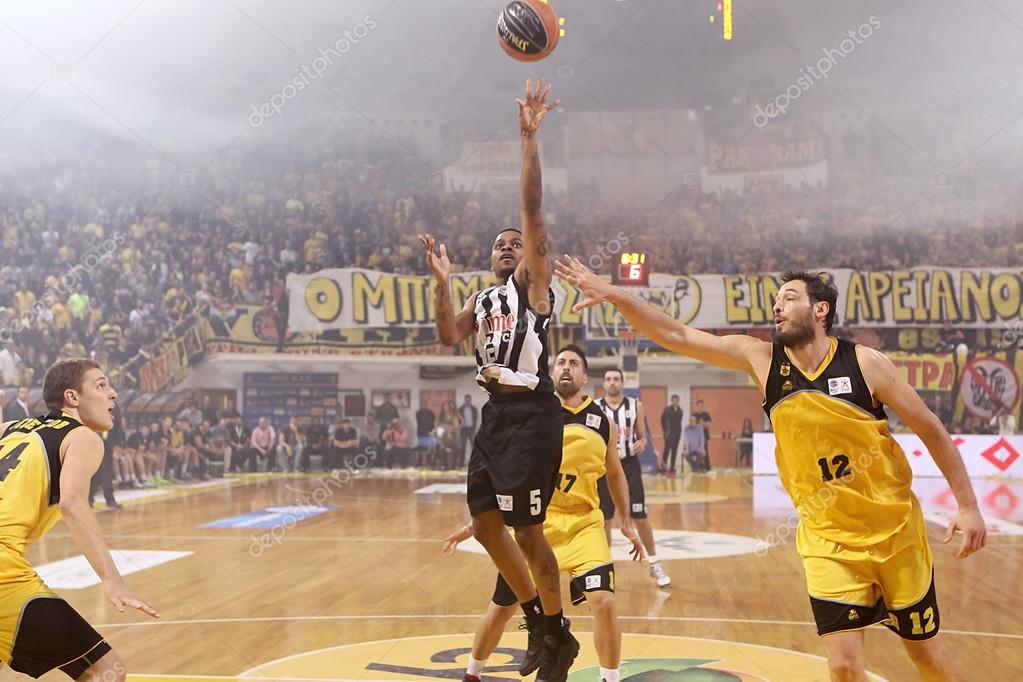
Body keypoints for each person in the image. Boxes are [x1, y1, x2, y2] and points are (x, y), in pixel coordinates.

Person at [556, 262, 987, 680]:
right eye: (776, 299)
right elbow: (677, 333)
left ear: (820, 310)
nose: (777, 306)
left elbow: (930, 427)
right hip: (827, 540)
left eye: (790, 298)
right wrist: (616, 295)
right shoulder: (761, 359)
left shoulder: (865, 364)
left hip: (895, 533)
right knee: (843, 666)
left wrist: (967, 505)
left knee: (926, 656)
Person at [420, 79, 578, 682]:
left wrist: (529, 139)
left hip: (533, 415)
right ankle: (541, 622)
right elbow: (445, 336)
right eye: (500, 244)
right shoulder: (485, 299)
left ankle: (555, 632)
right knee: (487, 523)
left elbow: (532, 210)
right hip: (495, 418)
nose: (510, 245)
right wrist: (441, 281)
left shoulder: (532, 288)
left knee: (528, 531)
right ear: (489, 260)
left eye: (517, 243)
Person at [442, 346, 642, 682]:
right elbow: (508, 473)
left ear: (584, 376)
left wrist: (626, 519)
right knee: (503, 607)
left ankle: (610, 677)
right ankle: (473, 672)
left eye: (574, 363)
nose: (566, 368)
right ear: (551, 372)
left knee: (605, 602)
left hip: (584, 525)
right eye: (560, 362)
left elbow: (615, 471)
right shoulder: (537, 415)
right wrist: (477, 522)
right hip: (539, 526)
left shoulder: (602, 421)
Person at [0, 358, 158, 677]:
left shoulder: (9, 429)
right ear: (72, 397)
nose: (113, 394)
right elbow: (72, 504)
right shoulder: (83, 436)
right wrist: (112, 580)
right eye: (101, 385)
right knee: (106, 669)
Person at [595, 369, 669, 588]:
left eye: (616, 379)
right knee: (605, 520)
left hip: (629, 466)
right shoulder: (596, 407)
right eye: (608, 379)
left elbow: (642, 435)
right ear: (603, 383)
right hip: (604, 466)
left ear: (622, 382)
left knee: (640, 516)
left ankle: (654, 562)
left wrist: (643, 441)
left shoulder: (635, 405)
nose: (612, 383)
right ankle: (604, 568)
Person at [660, 395, 684, 476]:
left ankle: (672, 467)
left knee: (674, 450)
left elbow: (679, 422)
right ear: (671, 401)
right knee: (667, 450)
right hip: (668, 434)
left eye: (676, 400)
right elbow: (662, 420)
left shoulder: (680, 410)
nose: (675, 402)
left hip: (677, 434)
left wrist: (679, 432)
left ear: (678, 401)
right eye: (673, 400)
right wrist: (665, 430)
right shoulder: (667, 410)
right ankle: (663, 466)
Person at [459, 395, 479, 462]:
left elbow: (475, 418)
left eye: (468, 400)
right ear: (464, 400)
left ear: (470, 400)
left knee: (474, 447)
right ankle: (461, 462)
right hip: (464, 429)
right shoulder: (461, 409)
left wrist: (474, 428)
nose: (467, 401)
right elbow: (458, 419)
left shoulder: (474, 409)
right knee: (462, 446)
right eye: (466, 400)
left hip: (471, 429)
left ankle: (475, 462)